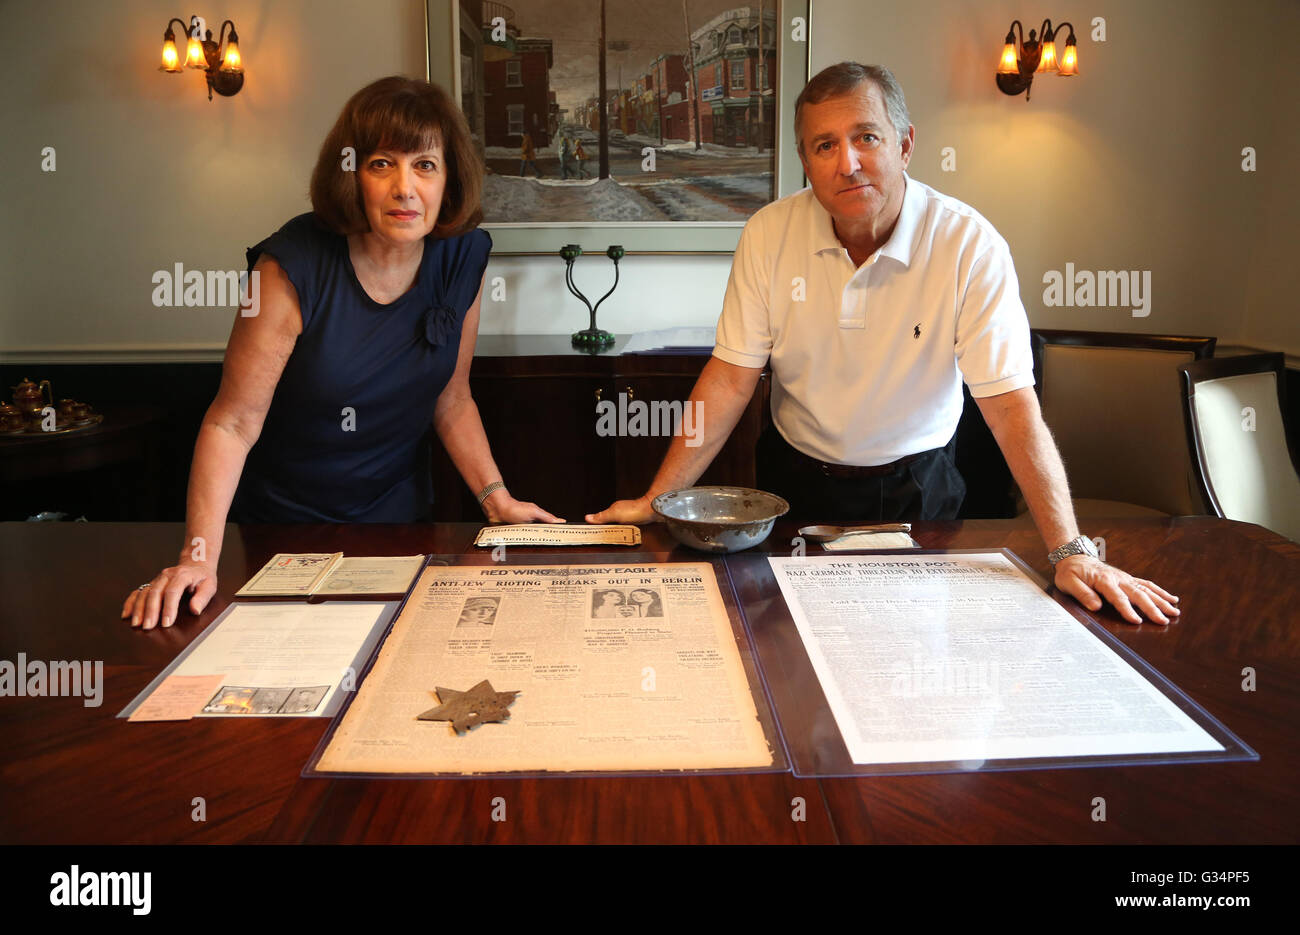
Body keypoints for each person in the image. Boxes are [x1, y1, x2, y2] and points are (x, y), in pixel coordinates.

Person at [588, 62, 1180, 627]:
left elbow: (1009, 406)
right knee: (790, 652)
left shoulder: (969, 245)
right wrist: (659, 498)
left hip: (918, 490)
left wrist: (1070, 550)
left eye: (866, 137)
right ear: (806, 161)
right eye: (824, 146)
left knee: (907, 662)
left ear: (904, 144)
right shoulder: (768, 234)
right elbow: (731, 377)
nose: (848, 163)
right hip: (794, 483)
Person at [123, 76, 560, 630]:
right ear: (351, 174)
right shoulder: (290, 267)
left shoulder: (461, 256)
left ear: (448, 179)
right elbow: (232, 423)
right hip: (284, 532)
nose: (406, 188)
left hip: (399, 524)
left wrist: (497, 500)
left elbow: (451, 398)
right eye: (382, 164)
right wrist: (197, 557)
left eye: (425, 165)